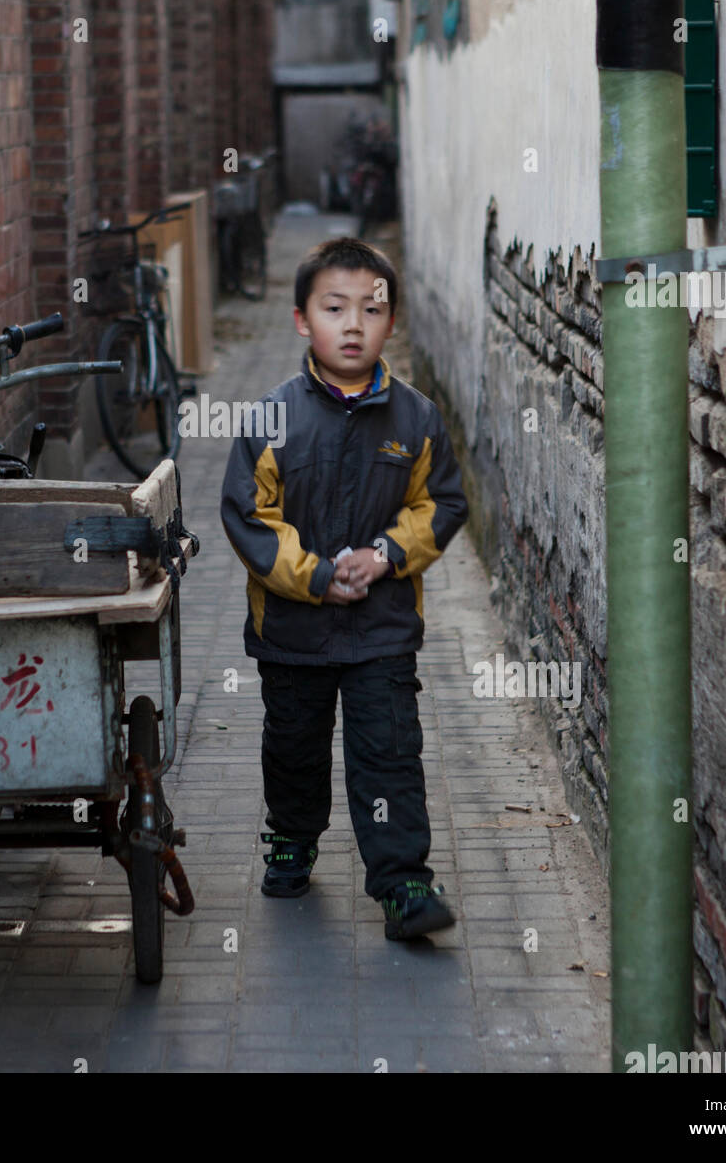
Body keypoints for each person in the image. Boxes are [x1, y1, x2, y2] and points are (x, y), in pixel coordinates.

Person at [219, 237, 470, 940]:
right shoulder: (271, 418)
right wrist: (319, 577)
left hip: (381, 630)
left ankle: (402, 884)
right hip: (293, 632)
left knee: (388, 752)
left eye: (372, 309)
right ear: (302, 320)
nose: (354, 325)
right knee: (294, 747)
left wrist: (388, 554)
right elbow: (249, 518)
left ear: (393, 323)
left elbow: (441, 505)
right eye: (335, 309)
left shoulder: (415, 419)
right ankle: (293, 839)